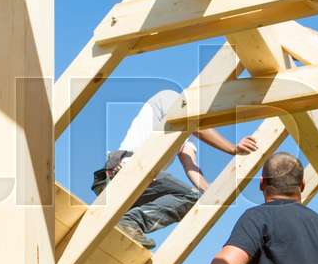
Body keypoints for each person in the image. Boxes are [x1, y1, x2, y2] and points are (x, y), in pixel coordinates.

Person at [94, 88, 257, 249]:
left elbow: (190, 166)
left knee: (194, 198)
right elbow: (193, 122)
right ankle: (131, 222)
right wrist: (232, 148)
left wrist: (211, 194)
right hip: (126, 169)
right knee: (189, 196)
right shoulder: (170, 98)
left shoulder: (187, 134)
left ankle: (128, 222)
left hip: (143, 182)